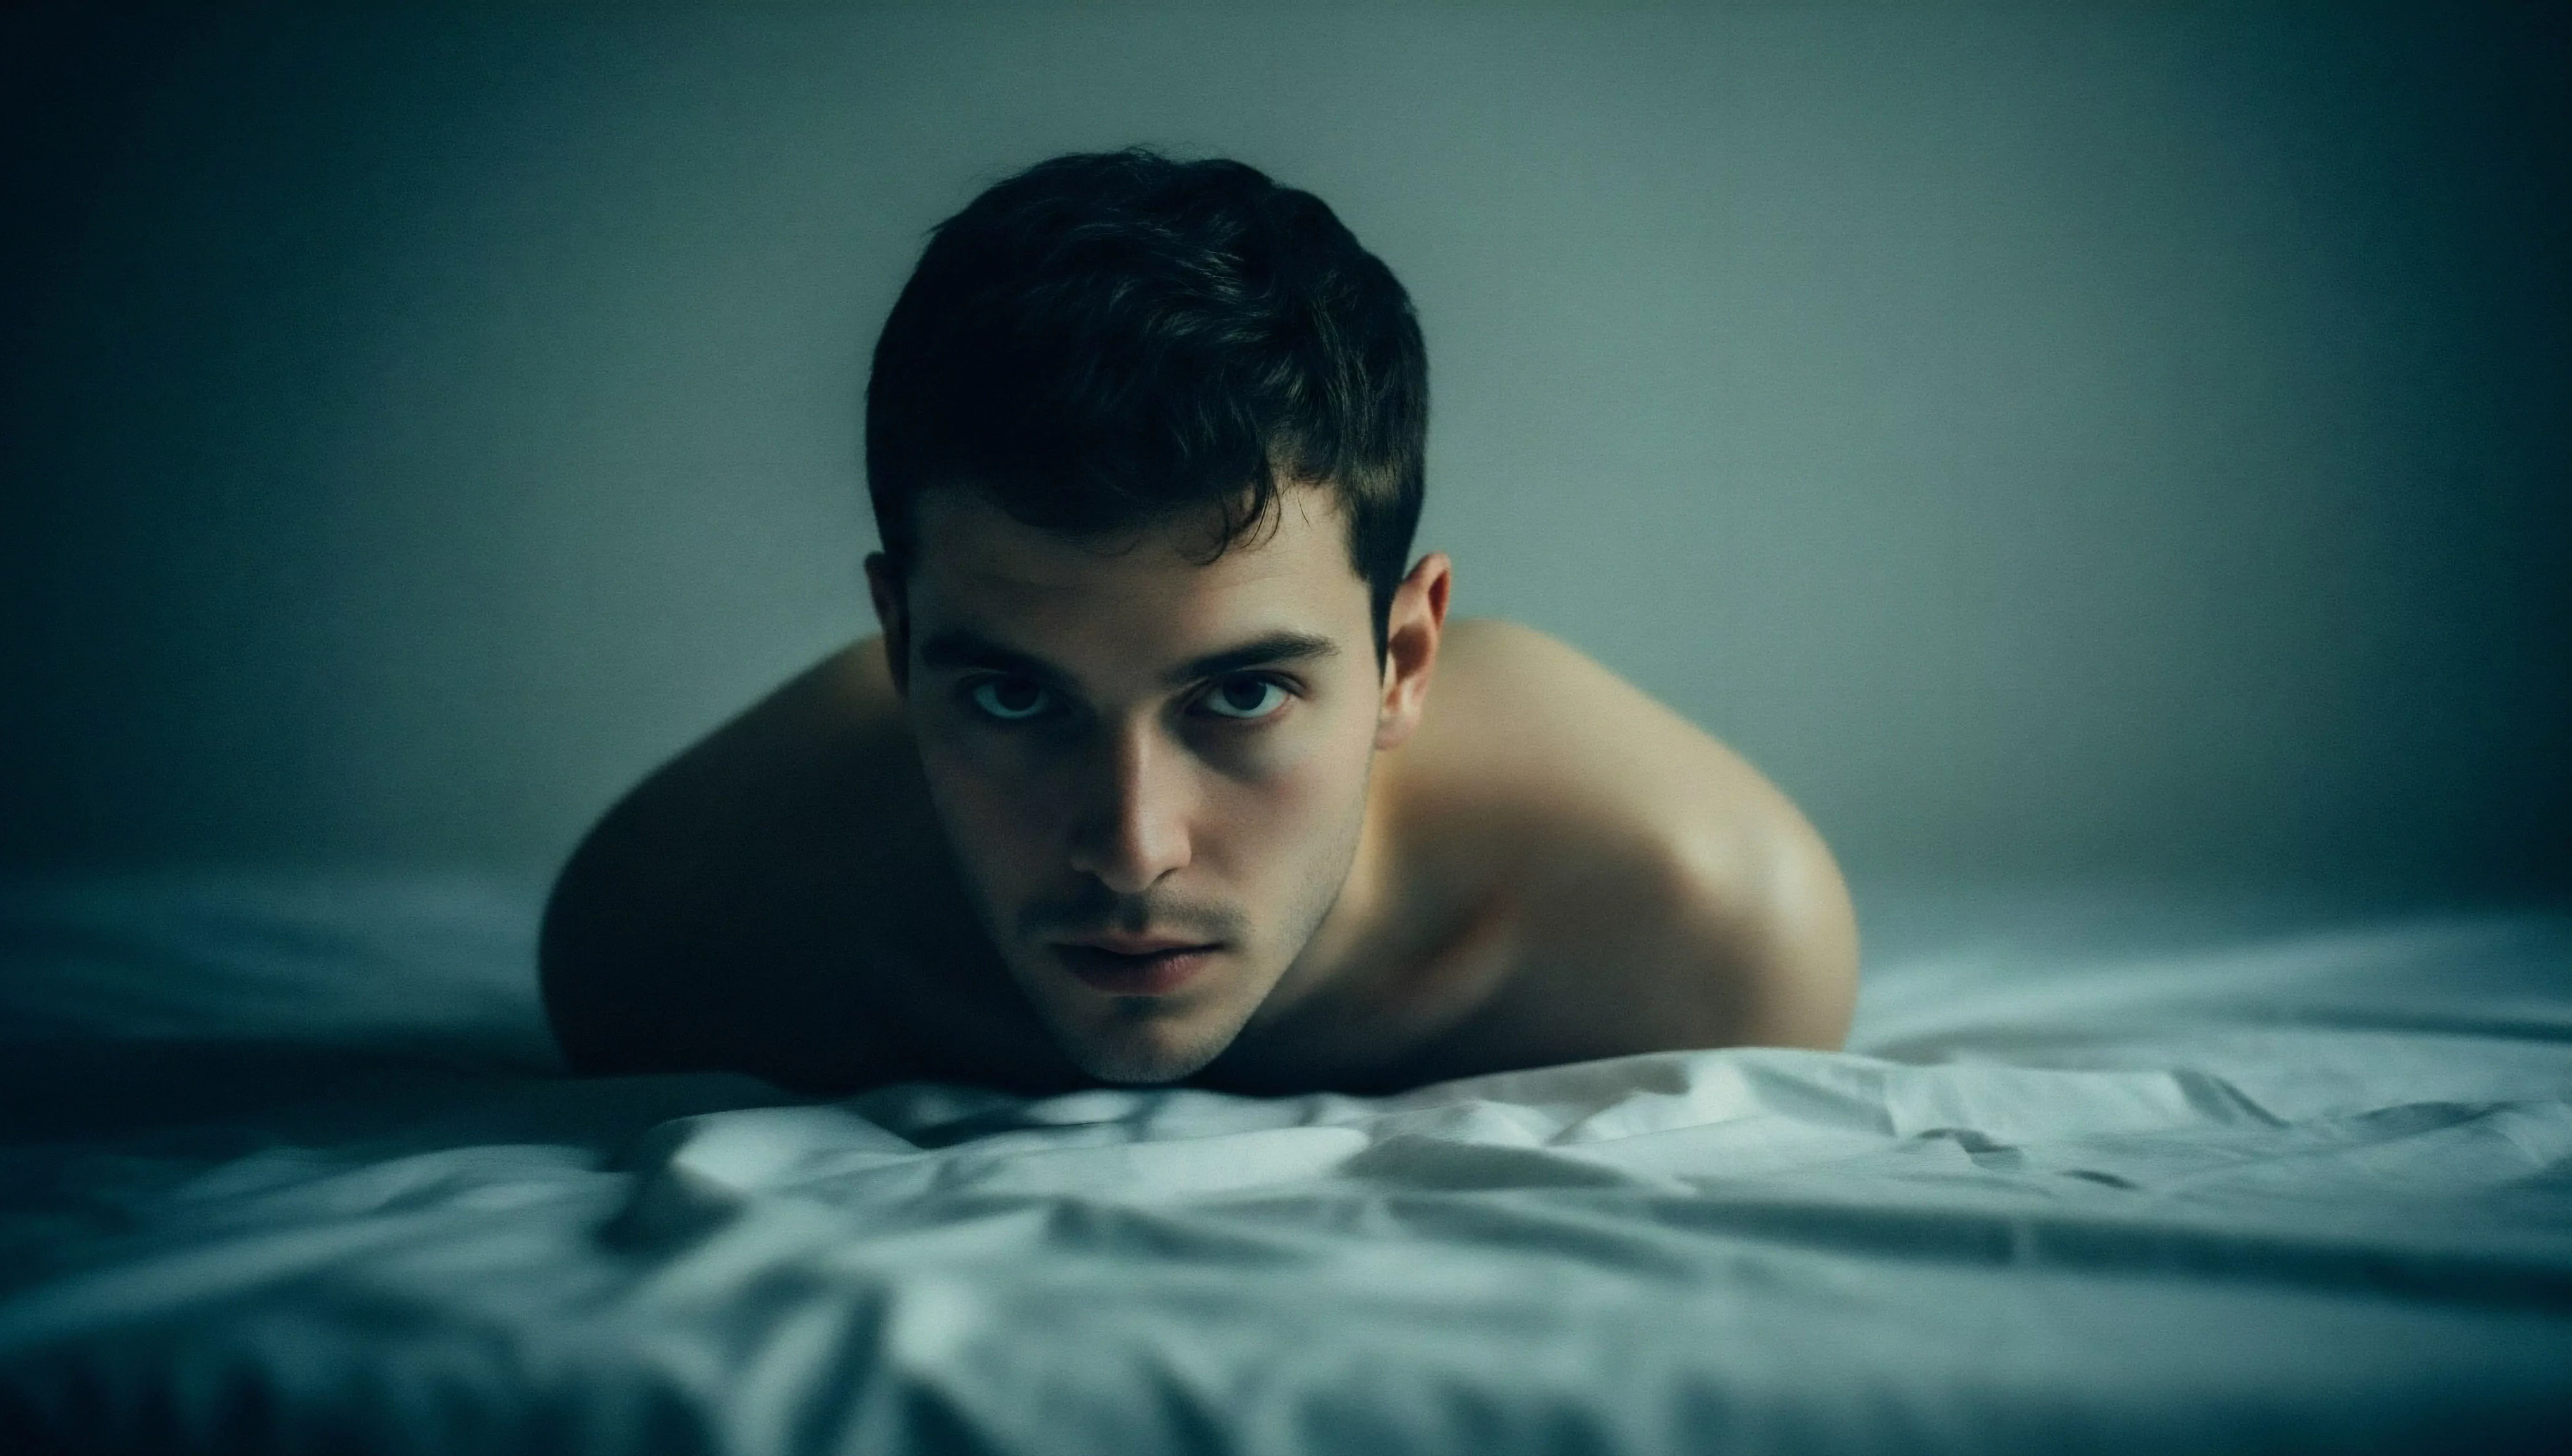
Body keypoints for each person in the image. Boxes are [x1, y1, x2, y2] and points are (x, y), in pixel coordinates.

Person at [539, 149, 1856, 1097]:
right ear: (897, 650)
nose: (1129, 852)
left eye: (1240, 698)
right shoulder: (673, 937)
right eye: (1013, 699)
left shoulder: (1707, 937)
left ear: (1405, 662)